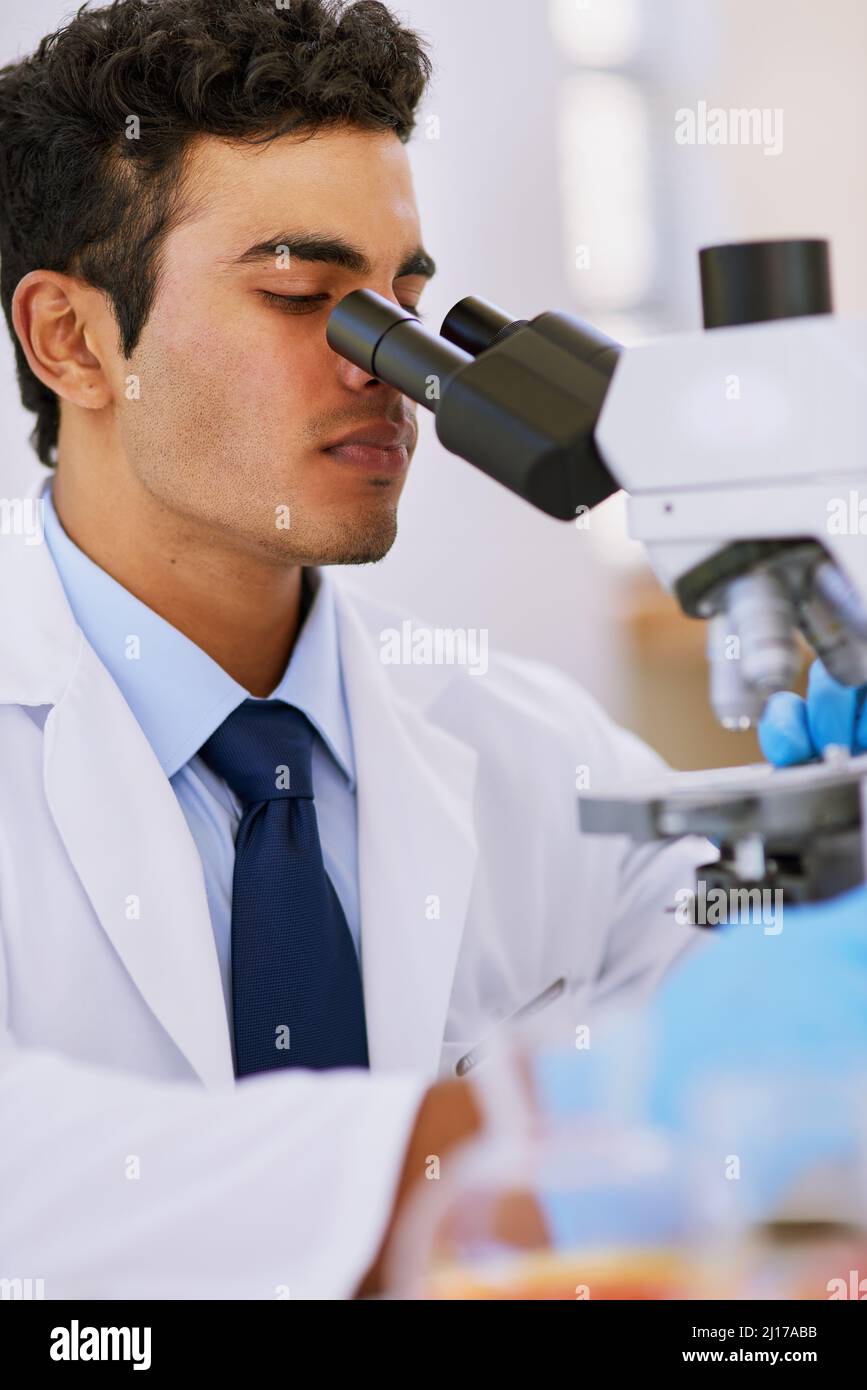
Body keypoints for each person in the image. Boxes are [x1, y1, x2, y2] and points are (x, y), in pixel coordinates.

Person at [0, 0, 711, 1299]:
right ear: (76, 340)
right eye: (302, 297)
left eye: (405, 302)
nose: (390, 368)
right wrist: (493, 1136)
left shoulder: (526, 744)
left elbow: (760, 1012)